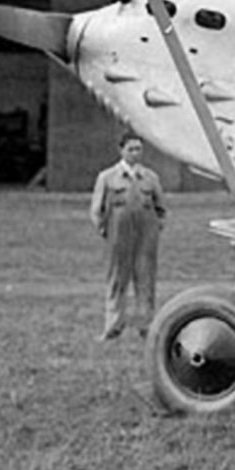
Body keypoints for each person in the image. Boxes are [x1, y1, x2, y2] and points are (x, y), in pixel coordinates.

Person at [88, 132, 167, 339]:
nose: (135, 153)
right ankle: (113, 327)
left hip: (145, 236)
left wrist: (156, 228)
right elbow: (96, 210)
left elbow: (161, 208)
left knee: (145, 280)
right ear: (121, 150)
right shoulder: (107, 177)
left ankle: (147, 327)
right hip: (118, 235)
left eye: (138, 149)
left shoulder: (150, 177)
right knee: (116, 280)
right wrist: (104, 231)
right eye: (131, 149)